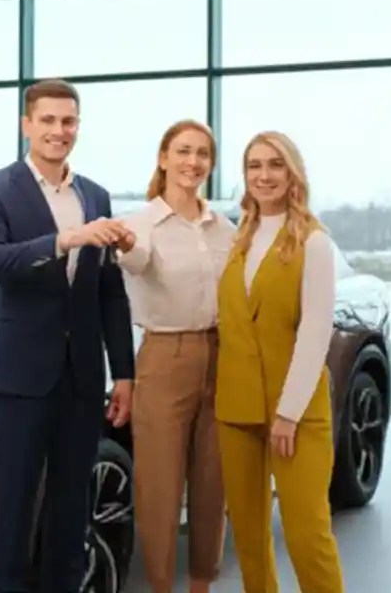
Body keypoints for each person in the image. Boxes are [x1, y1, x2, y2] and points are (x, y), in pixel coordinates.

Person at [0, 78, 136, 592]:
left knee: (72, 512)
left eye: (68, 122)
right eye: (47, 121)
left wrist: (124, 373)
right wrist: (66, 239)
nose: (58, 131)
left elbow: (110, 293)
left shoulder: (96, 194)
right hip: (19, 377)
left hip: (83, 377)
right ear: (26, 125)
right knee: (14, 512)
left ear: (77, 128)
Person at [215, 131, 345, 592]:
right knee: (248, 538)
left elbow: (315, 333)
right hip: (236, 407)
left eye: (275, 165)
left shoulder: (313, 243)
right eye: (254, 166)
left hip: (297, 412)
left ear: (292, 174)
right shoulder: (237, 239)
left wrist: (287, 413)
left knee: (307, 535)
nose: (263, 175)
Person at [115, 120, 235, 593]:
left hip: (222, 355)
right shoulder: (138, 225)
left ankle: (202, 582)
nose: (193, 162)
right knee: (160, 488)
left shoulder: (223, 227)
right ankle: (162, 585)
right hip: (165, 357)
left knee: (212, 482)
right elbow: (136, 259)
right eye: (183, 151)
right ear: (163, 157)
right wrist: (124, 246)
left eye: (202, 153)